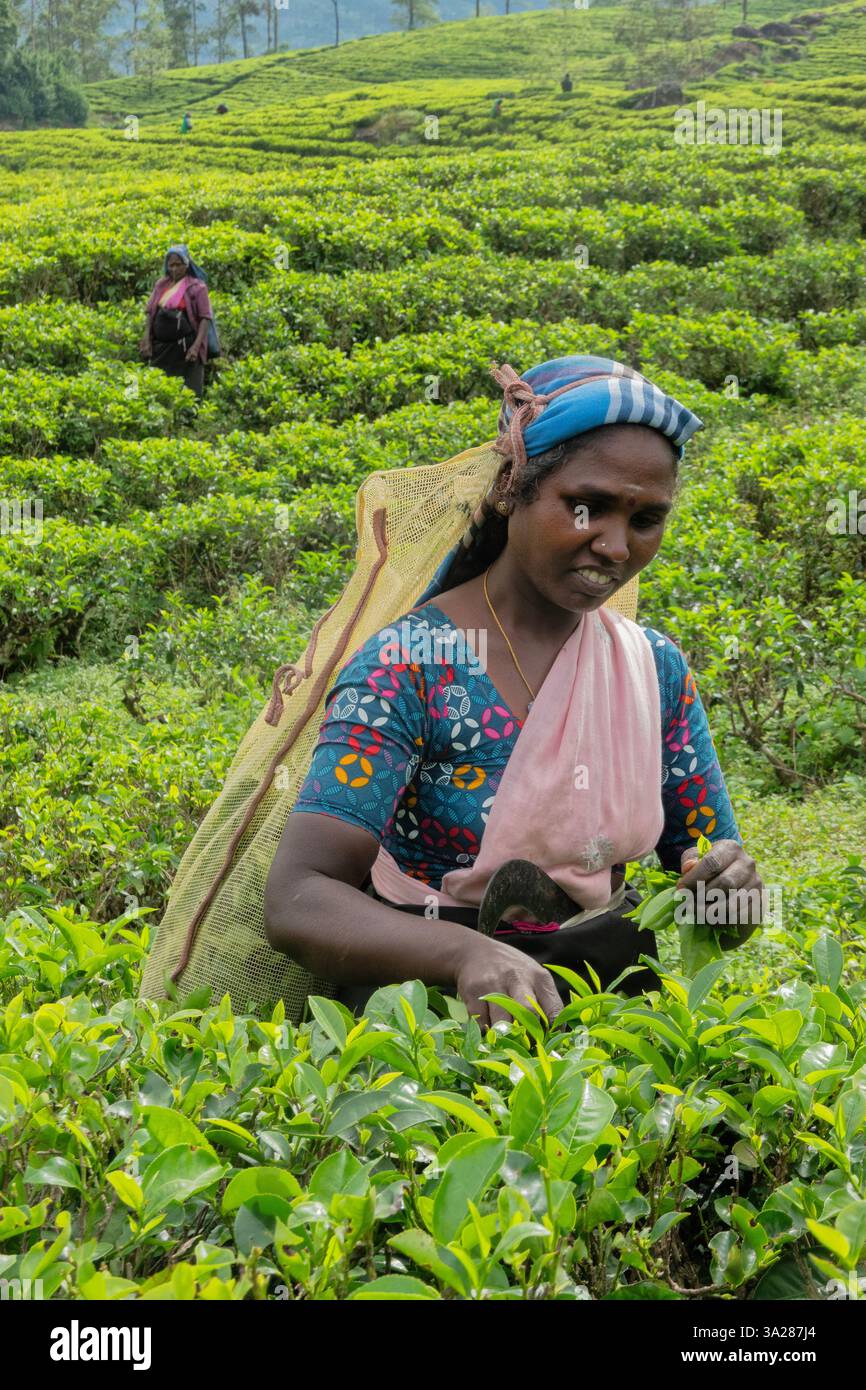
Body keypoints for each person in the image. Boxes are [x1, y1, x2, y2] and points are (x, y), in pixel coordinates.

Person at [263, 355, 763, 1029]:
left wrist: (731, 895)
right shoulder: (410, 666)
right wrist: (466, 955)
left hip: (611, 1028)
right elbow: (297, 898)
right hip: (427, 1029)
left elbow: (715, 900)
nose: (615, 546)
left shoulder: (656, 671)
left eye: (646, 520)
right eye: (587, 507)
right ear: (510, 486)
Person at [139, 244, 214, 400]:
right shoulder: (161, 285)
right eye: (171, 265)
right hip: (161, 347)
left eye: (178, 265)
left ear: (186, 265)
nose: (174, 269)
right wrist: (146, 338)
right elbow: (151, 312)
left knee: (188, 393)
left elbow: (205, 318)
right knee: (159, 390)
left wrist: (196, 347)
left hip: (185, 348)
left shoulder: (197, 287)